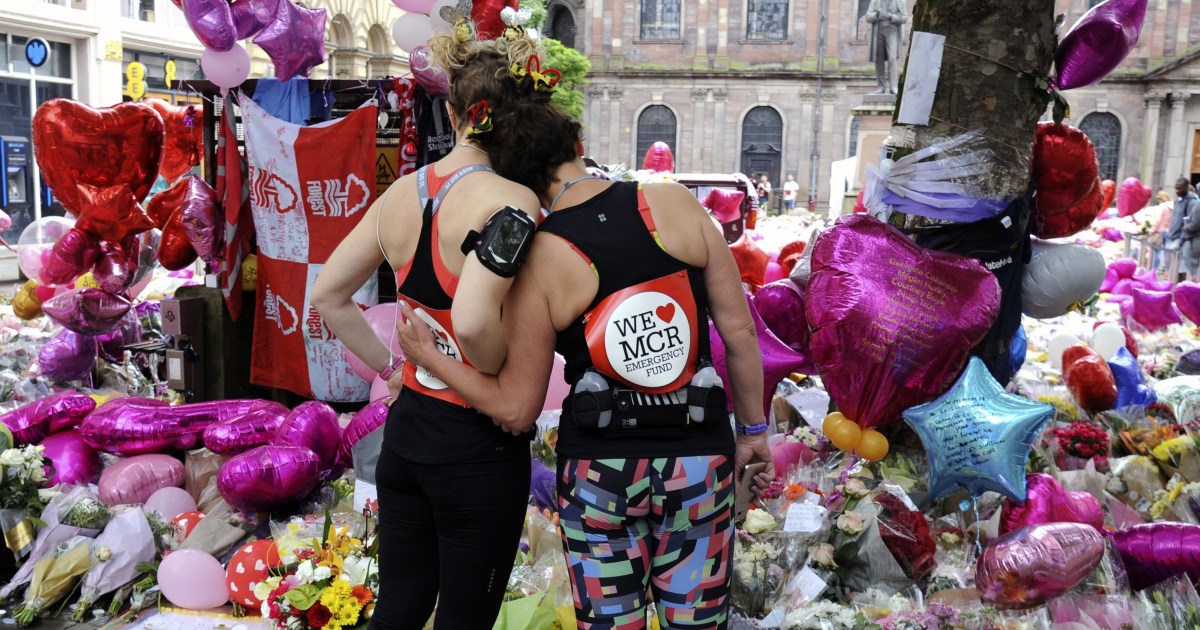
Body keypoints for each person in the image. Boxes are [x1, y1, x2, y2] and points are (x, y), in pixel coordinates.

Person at [395, 69, 774, 628]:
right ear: (578, 145)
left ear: (517, 177)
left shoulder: (541, 259)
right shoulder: (673, 205)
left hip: (601, 474)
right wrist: (754, 433)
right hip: (698, 462)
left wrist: (430, 358)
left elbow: (516, 410)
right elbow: (741, 335)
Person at [311, 25, 544, 630]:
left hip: (408, 435)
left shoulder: (399, 196)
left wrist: (394, 368)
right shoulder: (513, 200)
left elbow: (329, 296)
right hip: (475, 445)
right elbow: (476, 333)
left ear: (453, 110)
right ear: (514, 116)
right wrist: (483, 364)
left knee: (399, 610)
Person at [866, 0, 908, 95]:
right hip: (878, 32)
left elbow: (904, 18)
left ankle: (894, 86)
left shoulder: (900, 1)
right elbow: (868, 17)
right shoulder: (875, 1)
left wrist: (892, 16)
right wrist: (877, 15)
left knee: (892, 58)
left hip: (892, 31)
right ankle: (881, 87)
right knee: (879, 59)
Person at [1167, 177, 1200, 280]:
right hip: (1174, 238)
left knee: (1185, 269)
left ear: (1186, 187)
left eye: (1179, 188)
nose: (1177, 191)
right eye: (1176, 188)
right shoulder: (1178, 201)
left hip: (1185, 240)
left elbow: (1193, 223)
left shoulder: (1193, 202)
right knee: (1173, 268)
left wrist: (1181, 239)